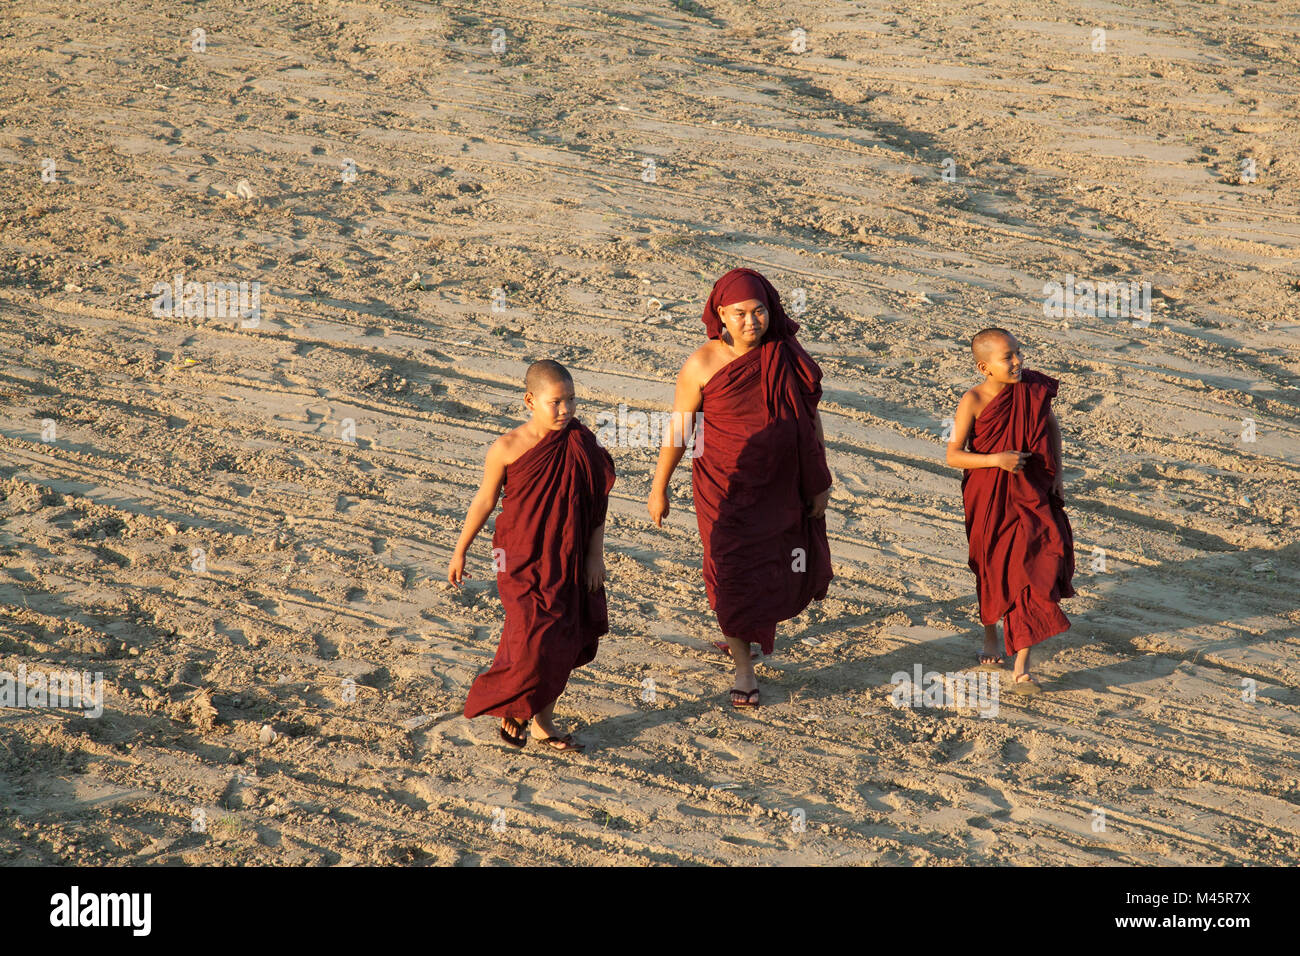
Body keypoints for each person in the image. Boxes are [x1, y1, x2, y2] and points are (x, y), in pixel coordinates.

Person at [648, 268, 832, 707]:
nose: (752, 322)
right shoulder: (702, 362)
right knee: (728, 568)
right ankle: (743, 665)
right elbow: (679, 428)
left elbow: (811, 421)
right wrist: (659, 487)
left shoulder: (785, 354)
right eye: (740, 314)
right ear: (721, 315)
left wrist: (820, 478)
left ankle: (743, 632)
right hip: (723, 486)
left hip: (781, 483)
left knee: (773, 565)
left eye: (759, 311)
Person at [449, 360, 616, 750]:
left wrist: (596, 556)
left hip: (570, 555)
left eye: (571, 401)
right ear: (530, 400)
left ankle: (541, 721)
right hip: (520, 555)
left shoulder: (582, 442)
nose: (566, 410)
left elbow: (597, 503)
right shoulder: (507, 448)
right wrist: (460, 550)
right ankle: (511, 703)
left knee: (561, 636)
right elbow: (485, 500)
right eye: (556, 402)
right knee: (530, 634)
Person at [945, 328, 1075, 695]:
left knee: (1036, 565)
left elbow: (1051, 426)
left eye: (1019, 352)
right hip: (988, 493)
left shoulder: (1032, 391)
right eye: (1008, 357)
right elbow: (953, 455)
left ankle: (1022, 666)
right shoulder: (972, 399)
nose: (1018, 361)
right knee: (990, 565)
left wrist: (1059, 474)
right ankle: (991, 634)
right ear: (985, 367)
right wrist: (996, 460)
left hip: (1031, 491)